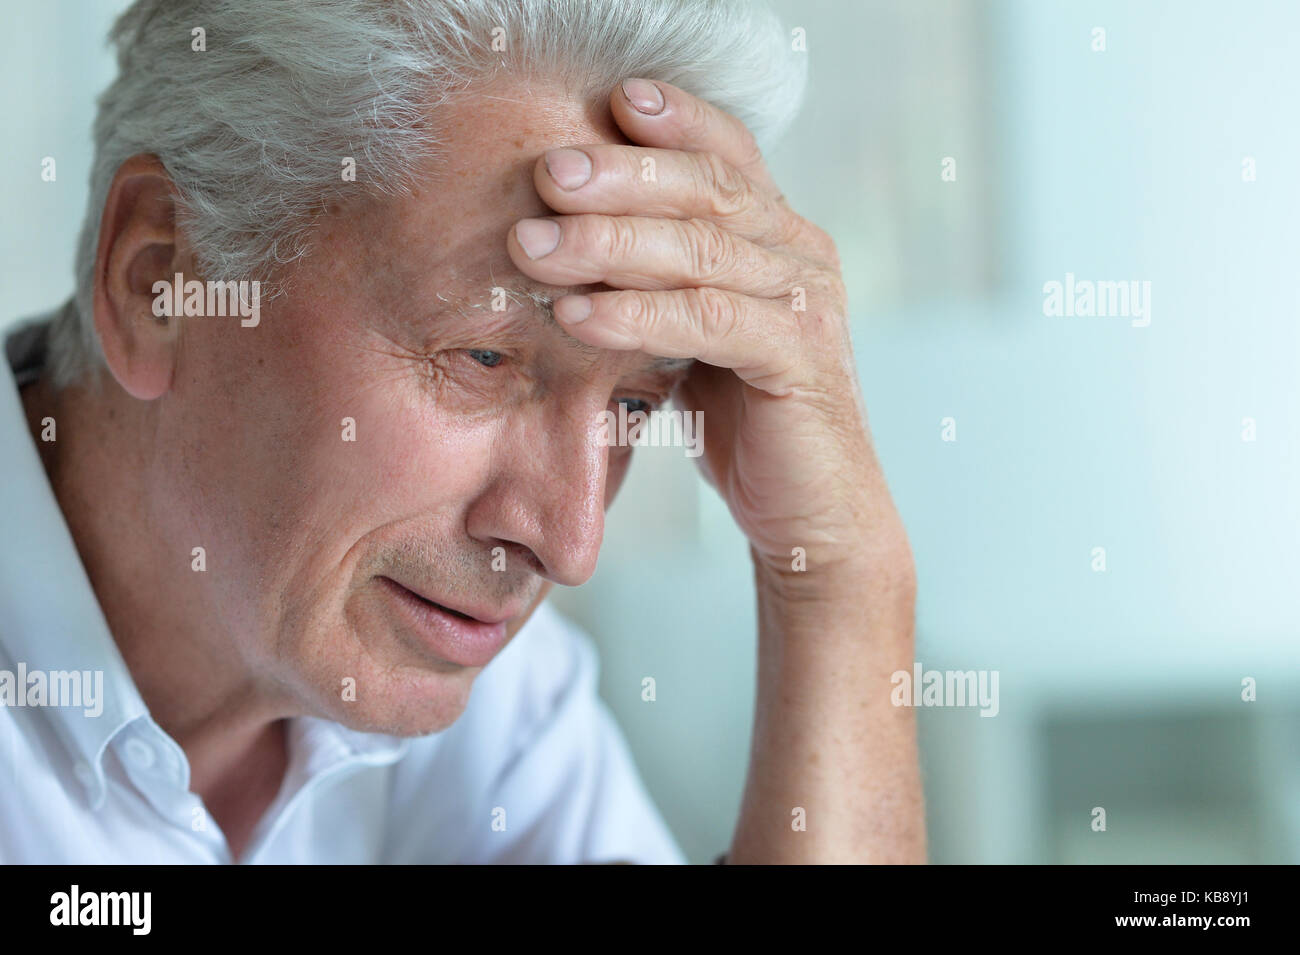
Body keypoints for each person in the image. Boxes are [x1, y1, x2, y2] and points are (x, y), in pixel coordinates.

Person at [0, 0, 923, 863]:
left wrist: (840, 577)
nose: (568, 541)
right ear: (160, 281)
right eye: (485, 358)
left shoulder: (480, 687)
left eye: (633, 405)